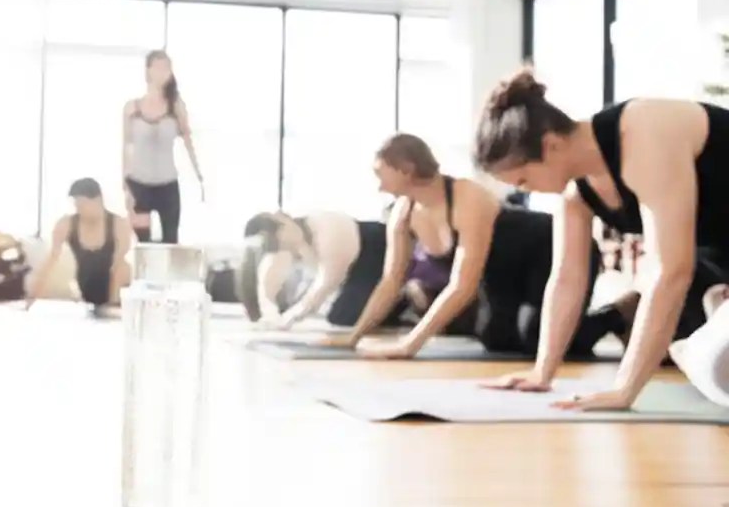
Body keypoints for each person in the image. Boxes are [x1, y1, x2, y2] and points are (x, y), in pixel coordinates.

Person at [472, 69, 729, 410]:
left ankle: (711, 329)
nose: (524, 191)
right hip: (716, 255)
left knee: (711, 363)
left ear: (550, 145)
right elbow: (567, 279)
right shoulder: (576, 194)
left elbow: (671, 272)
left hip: (706, 260)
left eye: (522, 180)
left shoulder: (643, 131)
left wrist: (624, 389)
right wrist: (542, 372)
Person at [325, 133, 615, 360]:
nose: (378, 185)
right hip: (504, 272)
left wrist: (409, 344)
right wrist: (355, 336)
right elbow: (391, 281)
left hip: (552, 248)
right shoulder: (403, 213)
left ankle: (617, 314)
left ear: (406, 169)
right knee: (496, 340)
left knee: (538, 338)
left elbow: (463, 285)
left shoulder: (467, 198)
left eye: (381, 173)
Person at [239, 211, 399, 330]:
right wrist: (269, 314)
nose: (280, 242)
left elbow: (325, 284)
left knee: (345, 317)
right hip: (353, 262)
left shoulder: (327, 231)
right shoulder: (283, 243)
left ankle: (401, 297)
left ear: (286, 221)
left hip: (376, 247)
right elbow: (268, 280)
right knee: (340, 315)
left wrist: (289, 318)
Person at [121, 50, 204, 244]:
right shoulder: (132, 108)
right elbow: (126, 147)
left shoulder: (176, 107)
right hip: (139, 185)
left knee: (170, 241)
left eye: (167, 68)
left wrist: (199, 175)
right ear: (148, 71)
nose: (163, 72)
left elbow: (188, 141)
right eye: (159, 67)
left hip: (167, 184)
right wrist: (125, 186)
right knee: (143, 243)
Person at [25, 178, 133, 312]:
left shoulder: (118, 224)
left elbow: (119, 263)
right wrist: (31, 299)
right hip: (86, 286)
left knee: (123, 266)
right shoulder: (67, 224)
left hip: (114, 289)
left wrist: (111, 306)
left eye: (83, 205)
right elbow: (51, 261)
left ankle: (113, 305)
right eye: (77, 205)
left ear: (98, 200)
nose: (80, 209)